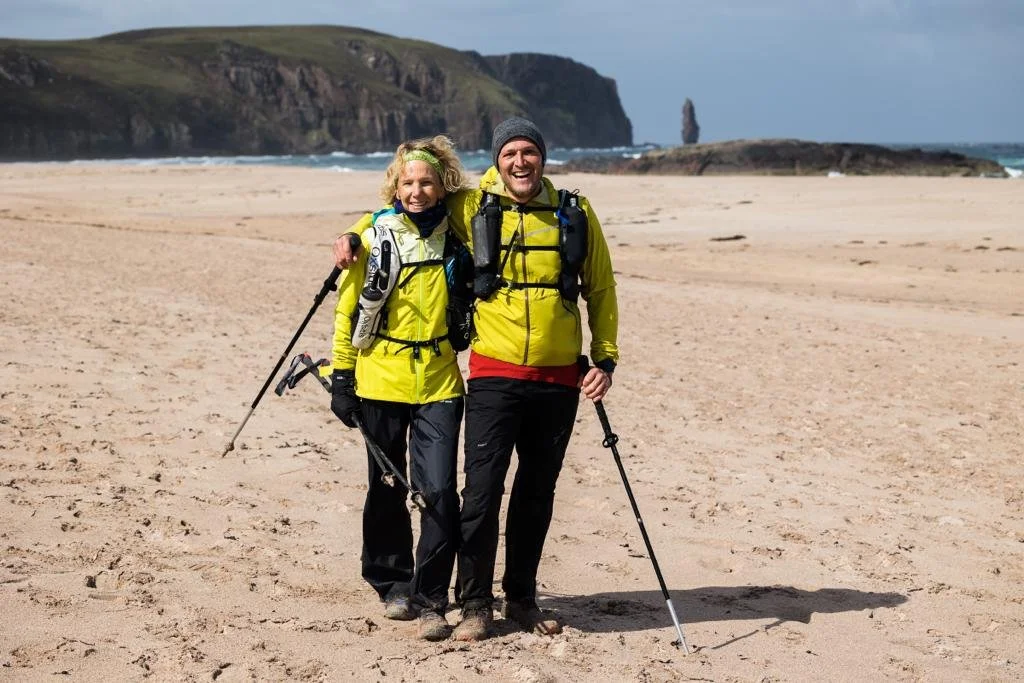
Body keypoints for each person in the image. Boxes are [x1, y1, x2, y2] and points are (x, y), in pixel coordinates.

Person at [333, 117, 618, 642]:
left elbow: (600, 288)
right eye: (509, 152)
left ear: (542, 157)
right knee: (481, 494)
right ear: (496, 159)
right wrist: (355, 231)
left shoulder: (575, 211)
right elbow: (401, 206)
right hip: (493, 373)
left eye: (528, 151)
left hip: (558, 377)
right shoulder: (472, 205)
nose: (519, 161)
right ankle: (476, 604)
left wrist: (604, 358)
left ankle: (524, 600)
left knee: (537, 492)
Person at [329, 135, 472, 641]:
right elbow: (348, 310)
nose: (417, 190)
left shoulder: (458, 231)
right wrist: (342, 377)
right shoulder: (373, 236)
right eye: (408, 182)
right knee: (387, 487)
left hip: (439, 378)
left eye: (427, 181)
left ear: (443, 186)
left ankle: (432, 596)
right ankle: (392, 584)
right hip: (379, 377)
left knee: (438, 491)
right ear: (395, 185)